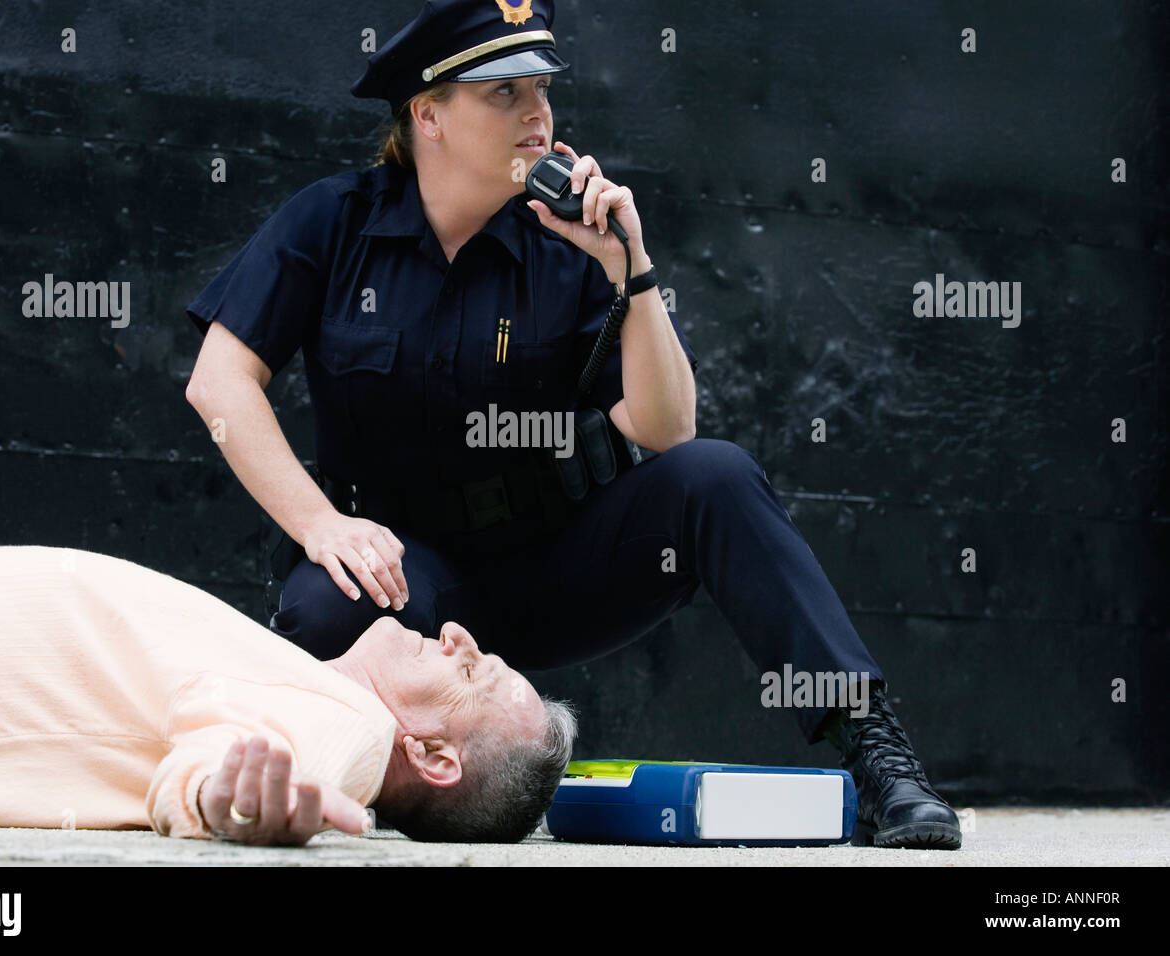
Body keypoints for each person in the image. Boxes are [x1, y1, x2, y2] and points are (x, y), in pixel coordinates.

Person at [183, 0, 961, 849]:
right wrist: (320, 523)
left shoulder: (567, 245)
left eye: (542, 90)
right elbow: (221, 382)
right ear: (428, 114)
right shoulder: (334, 223)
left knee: (717, 474)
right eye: (504, 92)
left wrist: (633, 273)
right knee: (326, 604)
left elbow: (665, 430)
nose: (536, 115)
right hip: (411, 581)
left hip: (556, 567)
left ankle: (878, 758)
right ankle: (316, 784)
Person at [0, 545, 576, 845]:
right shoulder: (305, 684)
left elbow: (234, 772)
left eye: (470, 672)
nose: (456, 634)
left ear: (430, 755)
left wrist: (228, 801)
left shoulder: (351, 725)